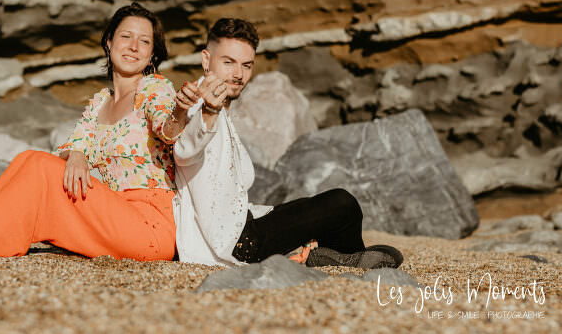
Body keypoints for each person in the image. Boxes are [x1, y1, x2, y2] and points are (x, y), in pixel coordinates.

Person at [0, 2, 191, 260]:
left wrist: (179, 111)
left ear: (152, 53)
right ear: (109, 42)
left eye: (144, 41)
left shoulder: (155, 88)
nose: (133, 46)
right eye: (126, 36)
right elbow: (73, 147)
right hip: (113, 211)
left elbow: (168, 129)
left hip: (149, 225)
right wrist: (77, 154)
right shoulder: (99, 102)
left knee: (41, 166)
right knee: (28, 159)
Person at [172, 18, 404, 268]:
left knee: (315, 206)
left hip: (245, 223)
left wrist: (276, 213)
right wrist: (208, 111)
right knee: (342, 204)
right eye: (228, 62)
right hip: (238, 244)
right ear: (206, 60)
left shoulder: (221, 110)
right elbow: (184, 152)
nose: (238, 74)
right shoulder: (195, 105)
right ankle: (346, 258)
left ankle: (333, 256)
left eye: (246, 65)